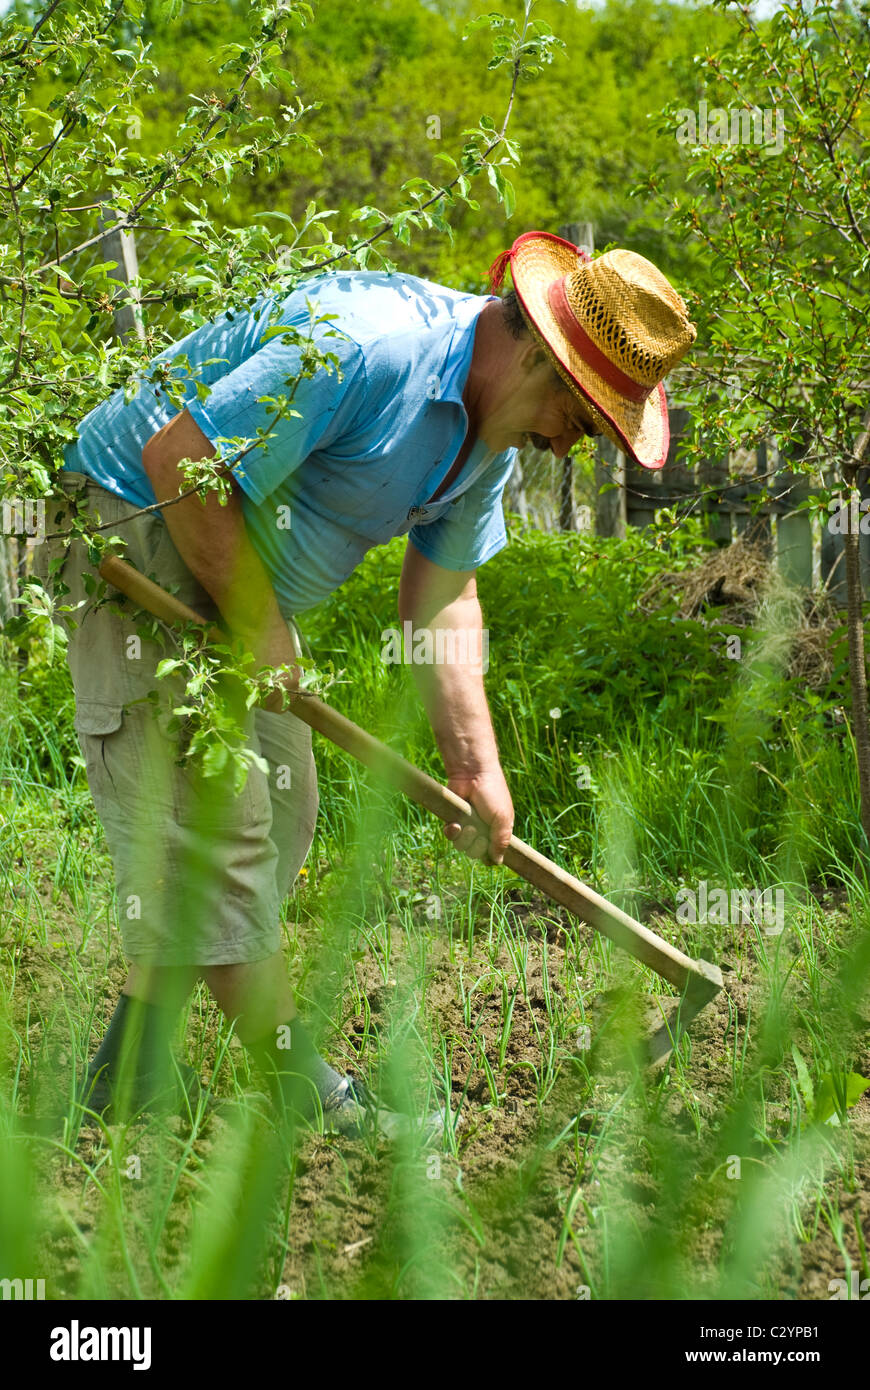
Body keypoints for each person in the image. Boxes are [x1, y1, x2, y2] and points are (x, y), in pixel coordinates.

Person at [39, 229, 696, 1139]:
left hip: (224, 563)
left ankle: (126, 1077)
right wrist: (259, 622)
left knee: (283, 807)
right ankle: (307, 1095)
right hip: (139, 526)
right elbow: (179, 463)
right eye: (580, 421)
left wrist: (478, 768)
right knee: (217, 829)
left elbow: (444, 594)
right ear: (542, 358)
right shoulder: (368, 347)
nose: (567, 444)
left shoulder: (487, 440)